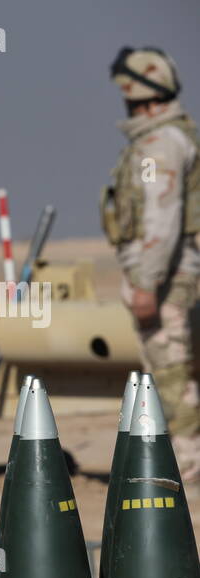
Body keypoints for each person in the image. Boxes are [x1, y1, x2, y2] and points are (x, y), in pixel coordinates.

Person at [103, 47, 200, 488]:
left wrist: (146, 285)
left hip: (167, 284)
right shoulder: (165, 139)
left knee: (173, 379)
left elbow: (161, 220)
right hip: (170, 279)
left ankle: (189, 478)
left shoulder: (160, 144)